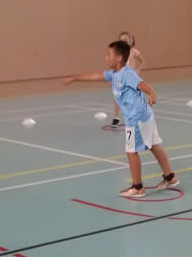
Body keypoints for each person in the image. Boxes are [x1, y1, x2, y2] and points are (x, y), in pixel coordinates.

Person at [65, 39, 178, 198]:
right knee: (154, 145)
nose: (106, 57)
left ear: (118, 58)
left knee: (131, 151)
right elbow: (96, 76)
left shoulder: (127, 73)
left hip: (136, 118)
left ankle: (138, 187)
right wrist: (75, 78)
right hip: (145, 115)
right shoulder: (114, 74)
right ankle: (170, 177)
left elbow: (141, 84)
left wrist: (152, 93)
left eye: (108, 54)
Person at [111, 31, 145, 128]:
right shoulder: (119, 53)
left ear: (132, 41)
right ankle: (116, 118)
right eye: (123, 39)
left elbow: (142, 61)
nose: (125, 41)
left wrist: (138, 70)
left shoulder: (134, 51)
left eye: (127, 39)